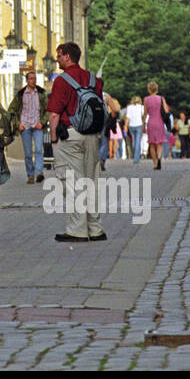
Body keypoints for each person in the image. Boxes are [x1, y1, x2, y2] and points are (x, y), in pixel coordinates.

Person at [46, 41, 106, 243]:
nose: (57, 59)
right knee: (91, 182)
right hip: (92, 135)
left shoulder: (62, 81)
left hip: (70, 136)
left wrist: (53, 140)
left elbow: (54, 114)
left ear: (67, 56)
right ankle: (95, 229)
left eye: (59, 55)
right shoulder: (92, 79)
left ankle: (77, 230)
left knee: (72, 183)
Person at [6, 70, 48, 184]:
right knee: (28, 153)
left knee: (39, 150)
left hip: (37, 125)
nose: (33, 81)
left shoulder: (41, 93)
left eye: (34, 79)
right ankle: (30, 175)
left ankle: (39, 173)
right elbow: (11, 110)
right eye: (31, 79)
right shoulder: (20, 94)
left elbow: (48, 110)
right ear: (26, 80)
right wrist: (18, 123)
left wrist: (42, 122)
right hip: (25, 126)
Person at [143, 81, 171, 171]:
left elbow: (145, 113)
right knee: (159, 143)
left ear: (149, 89)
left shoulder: (146, 99)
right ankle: (159, 158)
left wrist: (143, 124)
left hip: (150, 122)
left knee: (151, 144)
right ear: (156, 89)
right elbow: (166, 110)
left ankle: (155, 163)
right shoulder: (161, 98)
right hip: (159, 122)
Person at [99, 91, 121, 171]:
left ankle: (93, 162)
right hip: (104, 120)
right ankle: (101, 160)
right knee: (104, 142)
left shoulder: (88, 92)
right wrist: (112, 120)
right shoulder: (105, 95)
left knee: (94, 142)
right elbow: (114, 110)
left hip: (92, 122)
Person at [123, 95, 145, 164]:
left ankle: (135, 156)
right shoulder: (142, 107)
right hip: (139, 125)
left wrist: (125, 126)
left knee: (134, 141)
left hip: (131, 126)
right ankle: (136, 158)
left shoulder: (129, 107)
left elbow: (128, 117)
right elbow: (143, 117)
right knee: (138, 141)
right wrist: (144, 126)